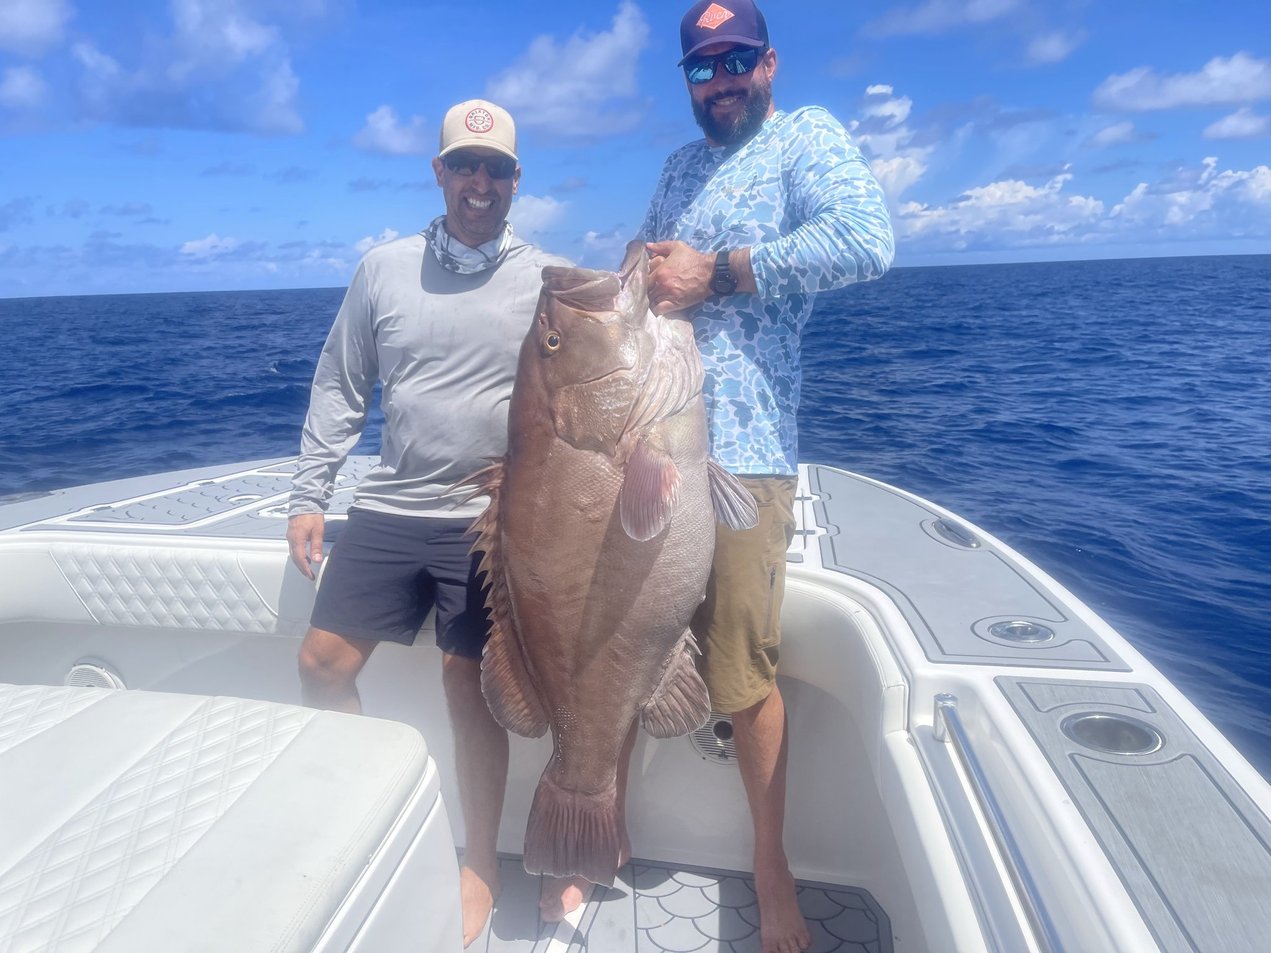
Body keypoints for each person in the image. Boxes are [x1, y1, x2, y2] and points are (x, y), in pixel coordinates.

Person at [636, 2, 895, 952]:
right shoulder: (675, 169)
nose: (722, 79)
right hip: (652, 449)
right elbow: (646, 269)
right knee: (624, 635)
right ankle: (599, 819)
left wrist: (725, 272)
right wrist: (637, 271)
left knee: (743, 671)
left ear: (770, 64)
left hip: (742, 452)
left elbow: (867, 241)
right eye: (703, 68)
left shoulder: (805, 140)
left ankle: (772, 868)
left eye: (736, 59)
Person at [285, 98, 571, 948]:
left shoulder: (549, 281)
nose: (480, 183)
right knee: (319, 664)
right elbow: (342, 382)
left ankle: (479, 860)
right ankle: (363, 811)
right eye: (465, 165)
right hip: (389, 505)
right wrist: (310, 492)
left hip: (488, 521)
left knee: (467, 687)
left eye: (497, 170)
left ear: (517, 182)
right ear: (439, 173)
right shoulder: (382, 269)